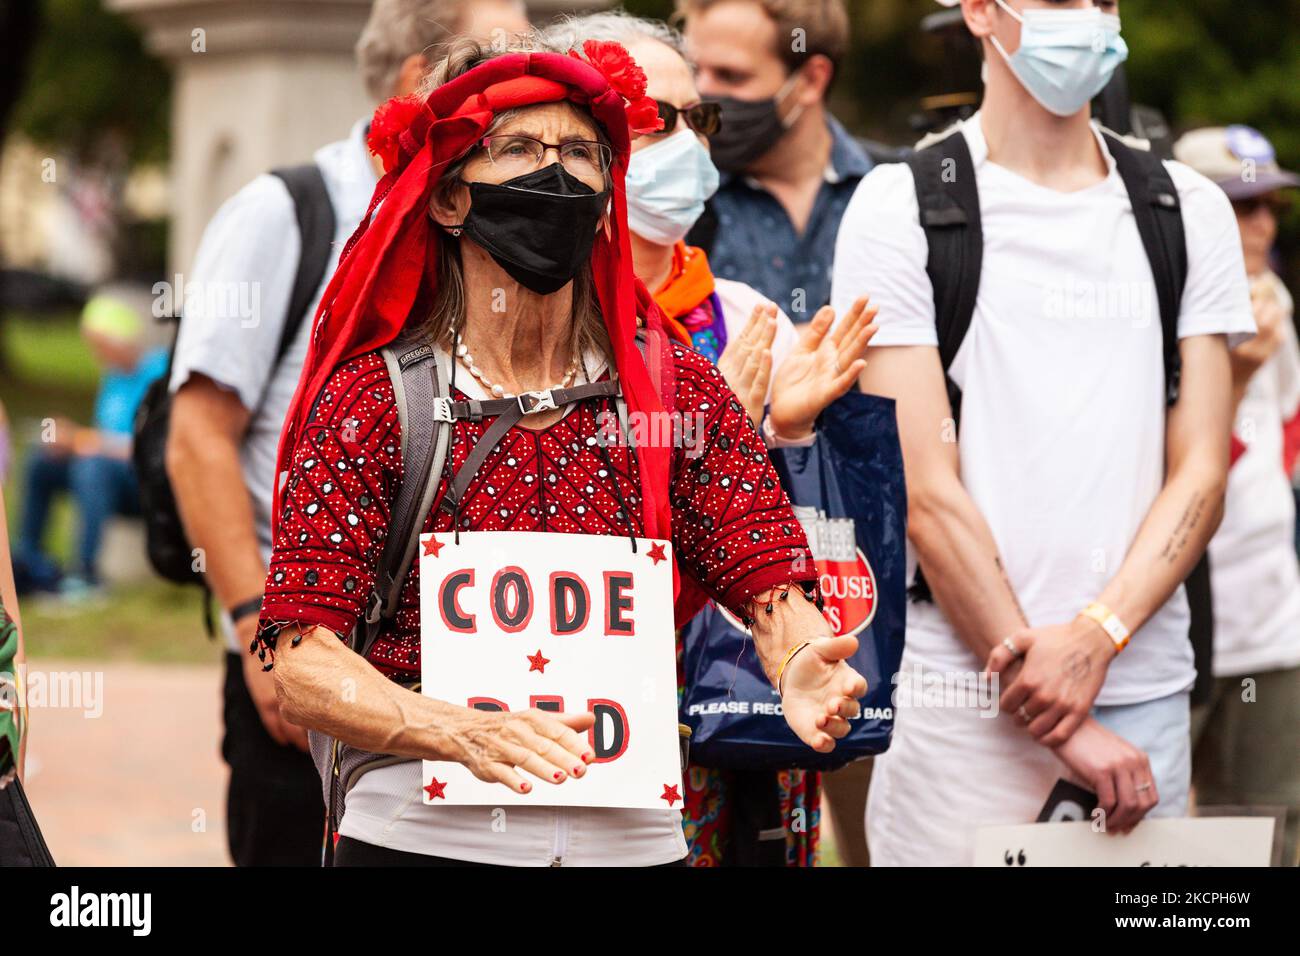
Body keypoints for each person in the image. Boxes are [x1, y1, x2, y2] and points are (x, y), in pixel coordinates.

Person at [253, 32, 869, 868]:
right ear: (446, 197)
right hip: (419, 838)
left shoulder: (674, 391)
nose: (559, 175)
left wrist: (799, 659)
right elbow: (299, 656)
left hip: (634, 843)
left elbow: (767, 573)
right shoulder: (373, 401)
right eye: (517, 149)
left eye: (581, 151)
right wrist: (462, 730)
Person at [836, 0, 1254, 865]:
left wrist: (1099, 634)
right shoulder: (900, 206)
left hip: (1141, 692)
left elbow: (1202, 469)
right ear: (982, 10)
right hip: (960, 709)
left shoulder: (1189, 209)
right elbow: (924, 487)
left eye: (1102, 1)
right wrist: (1055, 710)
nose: (1090, 20)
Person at [165, 0, 531, 866]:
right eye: (506, 60)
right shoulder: (286, 213)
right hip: (302, 664)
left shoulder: (506, 226)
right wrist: (261, 625)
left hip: (472, 672)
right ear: (422, 82)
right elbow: (198, 437)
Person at [544, 10, 877, 867]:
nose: (689, 141)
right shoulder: (534, 325)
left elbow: (815, 540)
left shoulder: (747, 313)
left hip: (753, 710)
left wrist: (791, 434)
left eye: (701, 119)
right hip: (592, 719)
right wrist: (694, 438)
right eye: (657, 118)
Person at [1173, 125, 1300, 867]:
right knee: (1145, 836)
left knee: (1267, 836)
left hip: (1270, 621)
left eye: (1268, 206)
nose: (1260, 224)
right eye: (1241, 205)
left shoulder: (1273, 303)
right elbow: (1177, 480)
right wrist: (1240, 377)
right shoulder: (1159, 307)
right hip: (1175, 627)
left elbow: (1283, 451)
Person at [673, 0, 871, 324]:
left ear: (810, 80)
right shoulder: (673, 202)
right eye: (694, 70)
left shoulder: (895, 192)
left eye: (730, 75)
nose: (702, 91)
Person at [14, 288, 166, 599]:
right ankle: (29, 564)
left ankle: (85, 574)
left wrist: (83, 440)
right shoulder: (113, 378)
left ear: (120, 340)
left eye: (100, 346)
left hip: (146, 484)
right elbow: (102, 438)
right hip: (106, 473)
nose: (97, 355)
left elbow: (151, 448)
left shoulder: (161, 372)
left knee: (92, 464)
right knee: (42, 460)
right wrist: (70, 442)